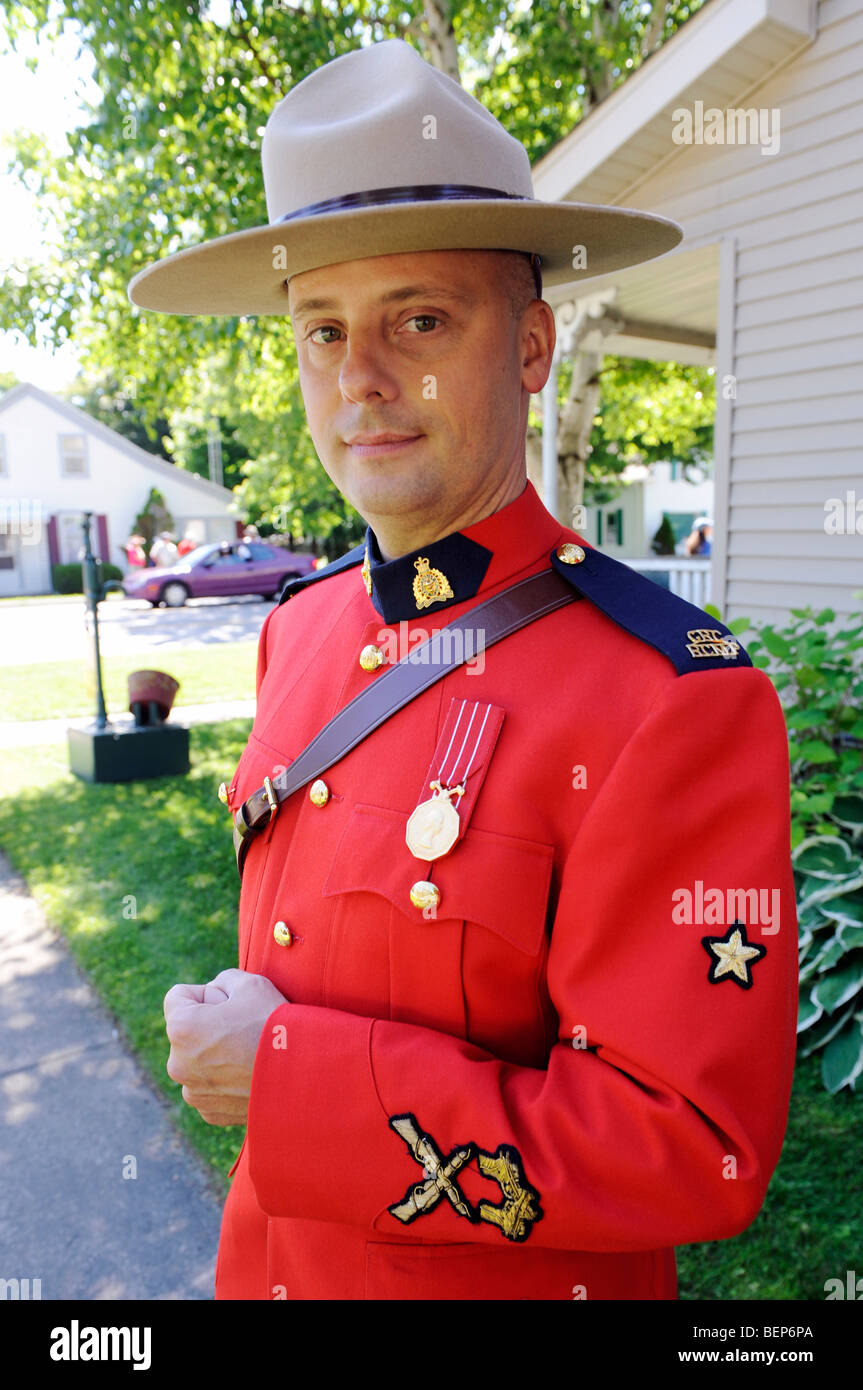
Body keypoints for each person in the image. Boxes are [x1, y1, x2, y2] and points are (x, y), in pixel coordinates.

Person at [131, 40, 797, 1302]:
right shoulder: (303, 631)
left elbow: (693, 1151)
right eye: (320, 330)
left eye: (418, 320)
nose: (360, 379)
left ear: (533, 346)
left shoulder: (672, 698)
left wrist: (283, 1074)